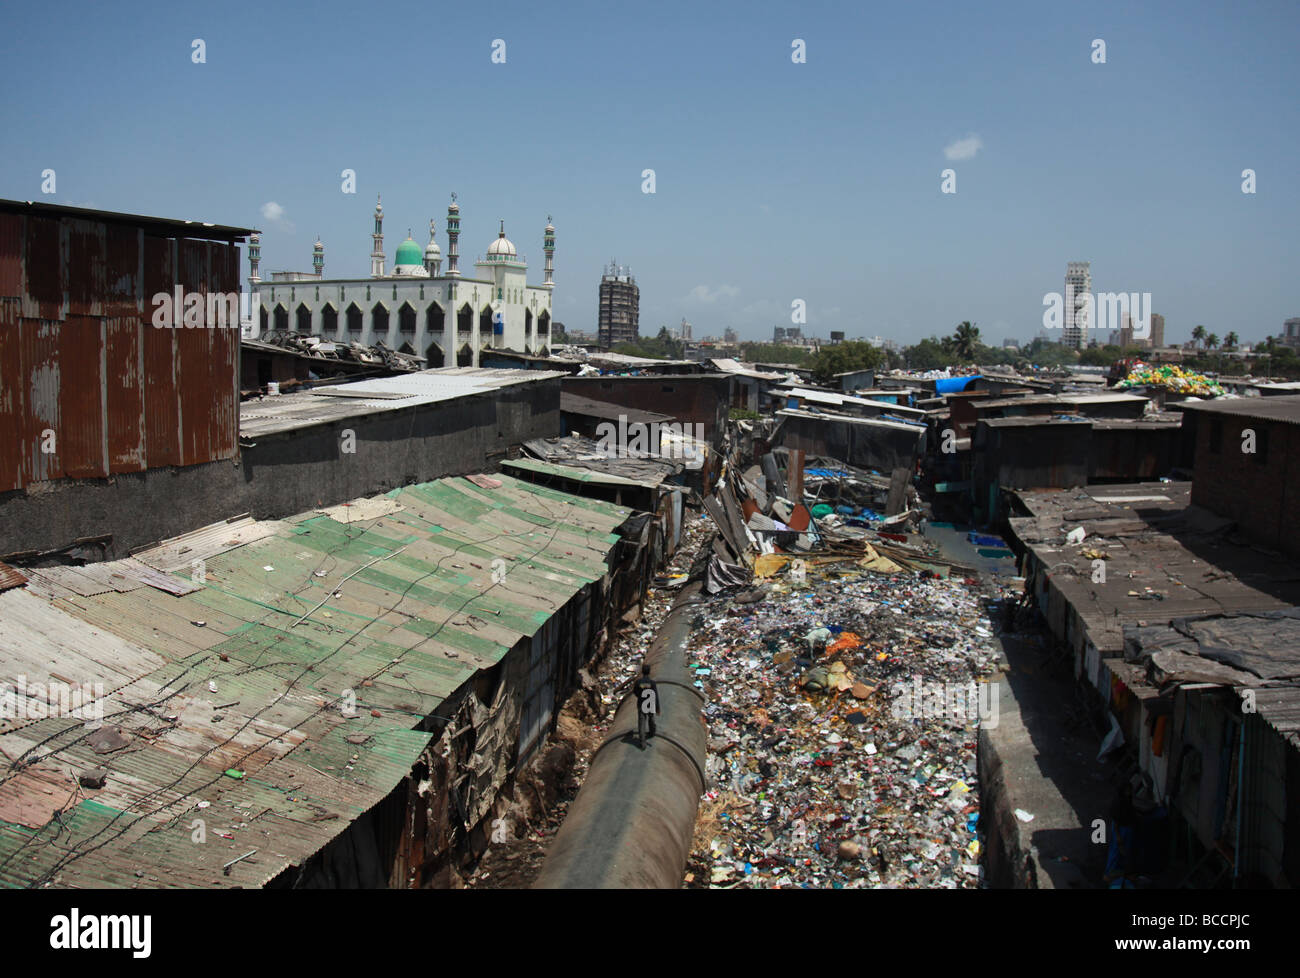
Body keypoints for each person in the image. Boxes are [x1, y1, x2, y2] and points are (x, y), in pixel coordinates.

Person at [632, 664, 660, 747]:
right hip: (650, 703)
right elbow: (655, 695)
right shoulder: (652, 683)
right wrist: (657, 707)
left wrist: (640, 696)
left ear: (642, 672)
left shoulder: (638, 682)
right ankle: (652, 732)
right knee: (651, 719)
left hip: (641, 704)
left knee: (642, 722)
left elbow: (635, 691)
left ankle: (642, 742)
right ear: (649, 672)